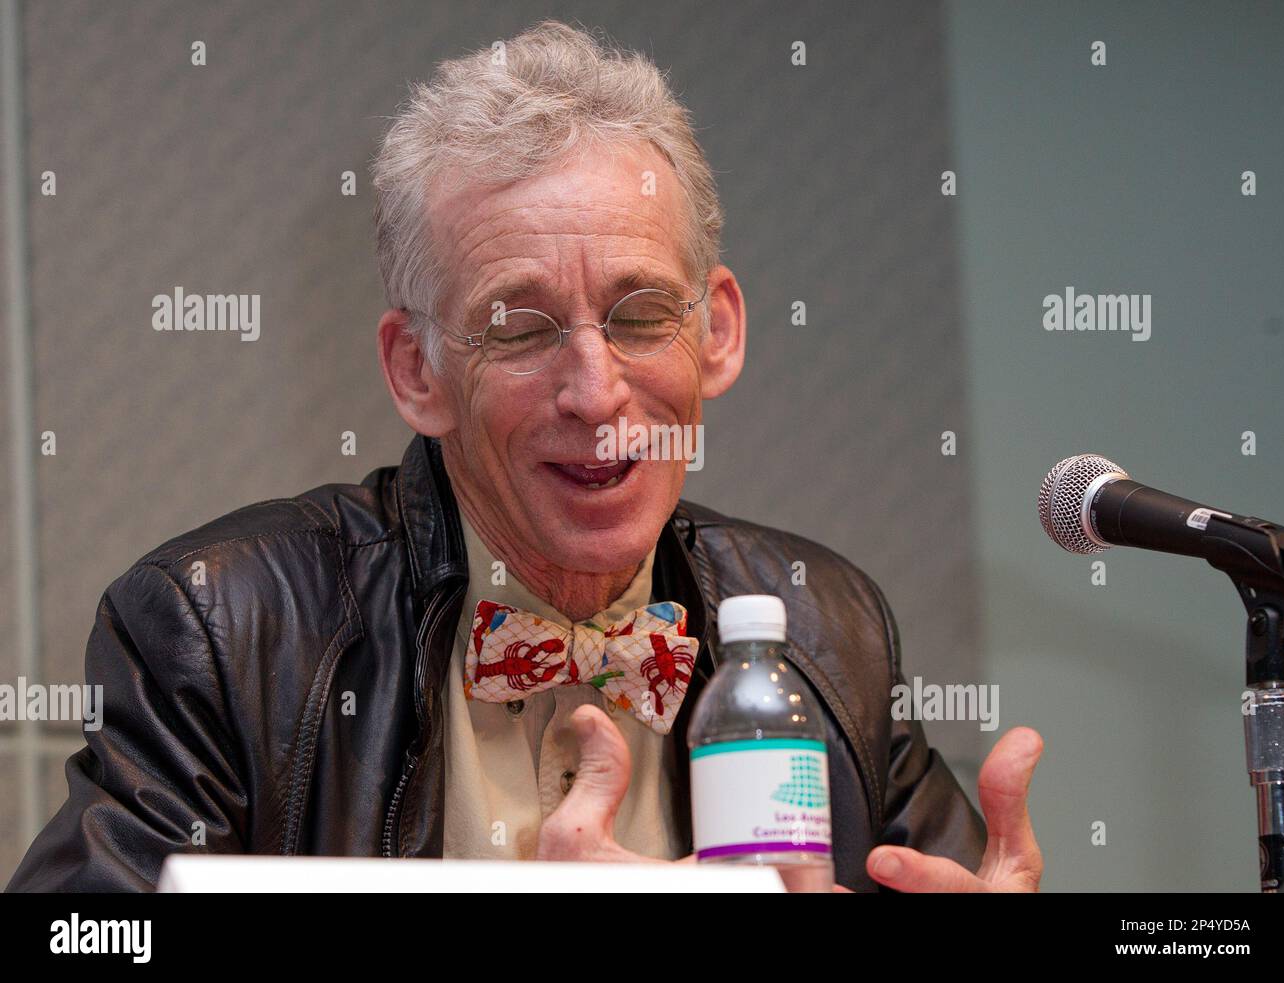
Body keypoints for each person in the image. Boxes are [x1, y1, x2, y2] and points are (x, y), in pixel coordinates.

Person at [7, 20, 1042, 893]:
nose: (594, 392)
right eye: (518, 328)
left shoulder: (826, 631)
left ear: (716, 331)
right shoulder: (224, 628)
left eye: (640, 316)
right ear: (415, 368)